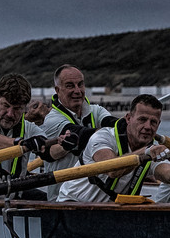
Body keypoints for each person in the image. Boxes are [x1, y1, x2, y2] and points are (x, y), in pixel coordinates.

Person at [58, 94, 170, 203]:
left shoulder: (153, 149)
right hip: (72, 205)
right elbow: (111, 170)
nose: (148, 127)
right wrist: (145, 151)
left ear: (158, 124)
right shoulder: (103, 137)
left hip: (107, 214)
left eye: (153, 122)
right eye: (142, 119)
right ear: (129, 118)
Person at [37, 65, 116, 196]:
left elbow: (115, 125)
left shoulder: (96, 111)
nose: (77, 91)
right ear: (57, 90)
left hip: (92, 197)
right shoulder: (52, 120)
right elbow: (83, 136)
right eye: (70, 86)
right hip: (62, 198)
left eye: (80, 85)